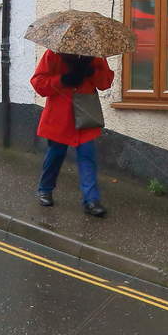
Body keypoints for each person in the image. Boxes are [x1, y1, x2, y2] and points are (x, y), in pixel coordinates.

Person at [30, 49, 114, 217]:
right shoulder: (53, 54)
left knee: (87, 156)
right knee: (56, 154)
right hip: (60, 116)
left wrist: (91, 72)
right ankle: (45, 189)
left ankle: (91, 200)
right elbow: (38, 83)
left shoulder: (94, 55)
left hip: (84, 115)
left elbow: (105, 82)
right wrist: (63, 80)